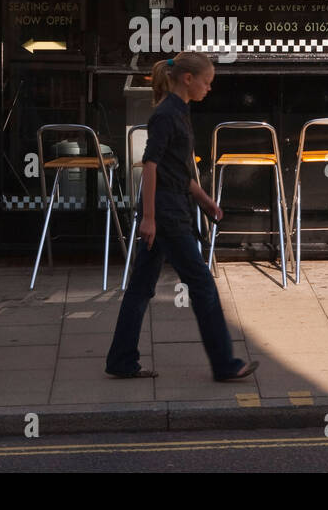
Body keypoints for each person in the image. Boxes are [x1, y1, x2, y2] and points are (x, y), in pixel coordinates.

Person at [106, 52, 258, 382]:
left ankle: (120, 359)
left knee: (141, 287)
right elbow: (151, 165)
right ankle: (225, 364)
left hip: (169, 209)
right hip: (166, 214)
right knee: (202, 285)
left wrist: (204, 200)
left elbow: (177, 169)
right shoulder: (166, 114)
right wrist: (149, 217)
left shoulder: (178, 111)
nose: (209, 88)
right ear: (188, 79)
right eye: (207, 82)